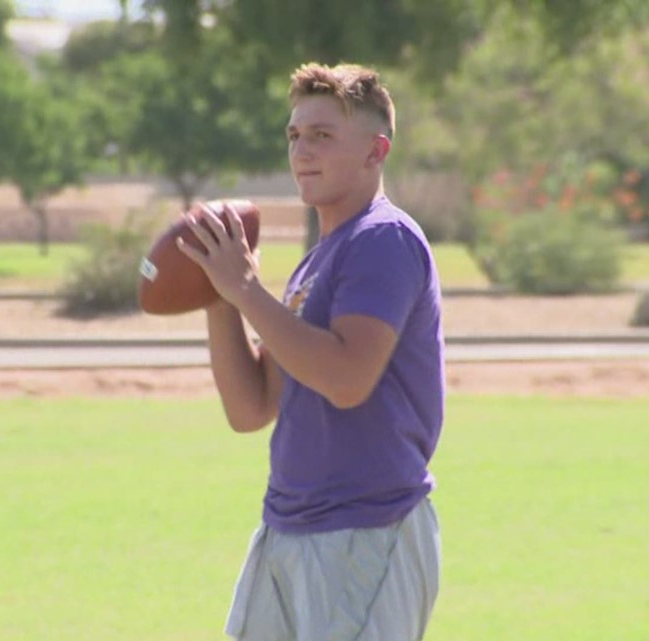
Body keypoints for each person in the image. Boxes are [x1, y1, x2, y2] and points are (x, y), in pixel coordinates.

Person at [176, 62, 445, 641]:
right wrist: (218, 294)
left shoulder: (383, 239)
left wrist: (245, 289)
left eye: (323, 135)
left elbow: (348, 379)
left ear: (376, 151)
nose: (302, 150)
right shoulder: (315, 262)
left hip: (366, 528)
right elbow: (251, 409)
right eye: (295, 135)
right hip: (287, 524)